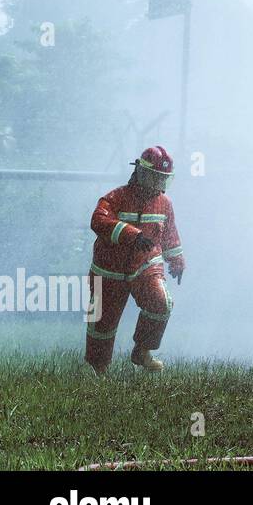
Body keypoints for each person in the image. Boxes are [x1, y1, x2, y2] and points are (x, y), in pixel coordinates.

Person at [84, 146, 186, 374]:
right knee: (101, 321)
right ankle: (99, 370)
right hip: (108, 269)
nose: (159, 183)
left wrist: (177, 260)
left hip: (145, 265)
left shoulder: (165, 203)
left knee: (161, 304)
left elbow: (169, 233)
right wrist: (133, 235)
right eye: (155, 177)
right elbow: (97, 221)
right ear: (140, 172)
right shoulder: (115, 197)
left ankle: (142, 351)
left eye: (163, 179)